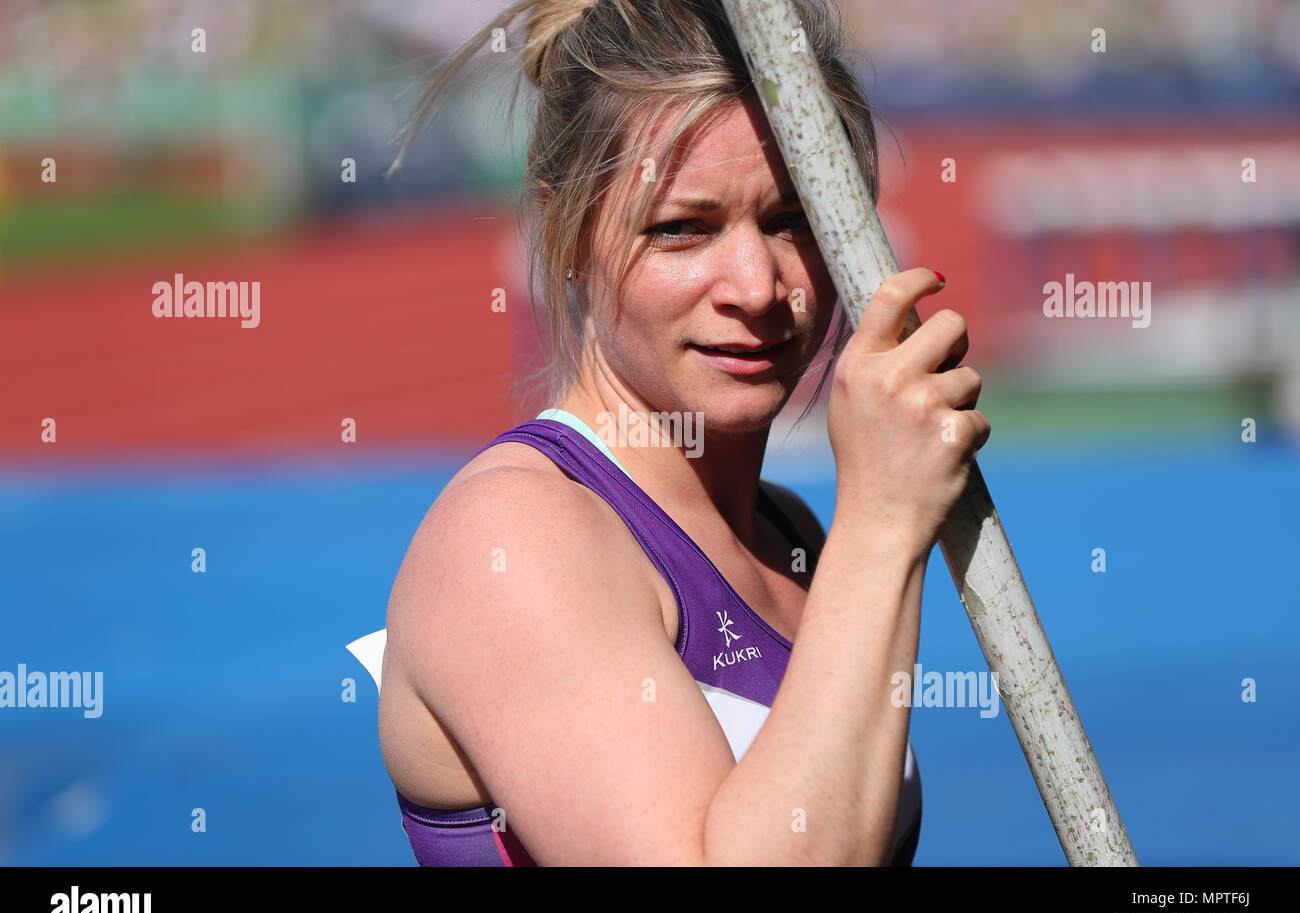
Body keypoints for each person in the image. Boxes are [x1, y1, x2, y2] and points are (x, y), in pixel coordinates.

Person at [377, 0, 989, 866]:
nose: (757, 285)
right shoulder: (510, 539)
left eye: (793, 220)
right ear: (567, 234)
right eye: (681, 229)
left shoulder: (794, 537)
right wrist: (884, 528)